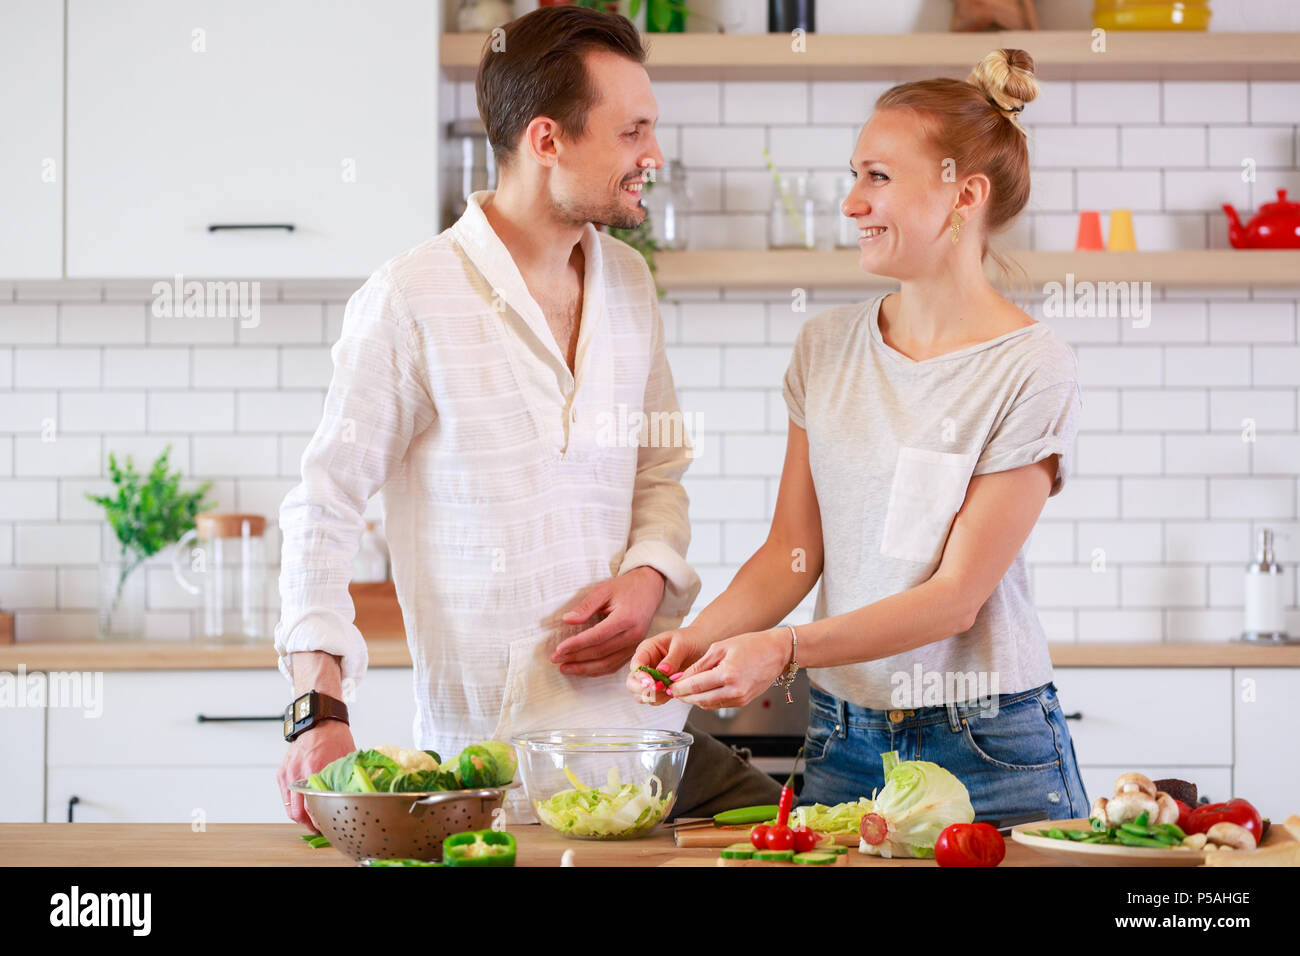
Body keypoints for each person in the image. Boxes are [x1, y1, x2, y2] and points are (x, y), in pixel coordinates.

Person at [273, 5, 779, 827]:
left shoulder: (629, 282)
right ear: (547, 140)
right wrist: (318, 710)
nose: (653, 156)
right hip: (496, 777)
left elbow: (659, 469)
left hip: (647, 743)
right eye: (632, 132)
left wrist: (649, 577)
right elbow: (324, 505)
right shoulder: (411, 298)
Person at [627, 49, 1090, 823]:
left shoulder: (1030, 366)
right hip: (844, 741)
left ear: (961, 196)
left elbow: (953, 600)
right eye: (854, 175)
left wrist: (784, 649)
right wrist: (695, 642)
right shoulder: (827, 346)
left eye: (876, 176)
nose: (851, 202)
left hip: (988, 746)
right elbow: (791, 554)